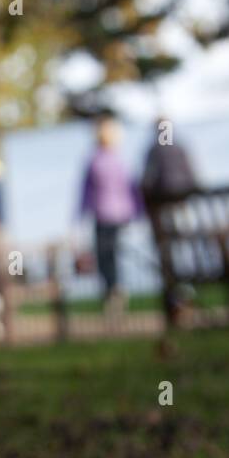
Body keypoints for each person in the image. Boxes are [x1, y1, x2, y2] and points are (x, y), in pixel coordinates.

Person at [80, 113, 142, 312]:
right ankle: (114, 291)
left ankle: (113, 291)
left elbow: (86, 191)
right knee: (109, 255)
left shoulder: (99, 160)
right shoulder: (115, 159)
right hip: (113, 214)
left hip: (108, 215)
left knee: (107, 255)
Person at [141, 119, 198, 199]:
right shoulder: (179, 148)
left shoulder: (155, 150)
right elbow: (191, 173)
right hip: (184, 192)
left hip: (164, 196)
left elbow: (149, 178)